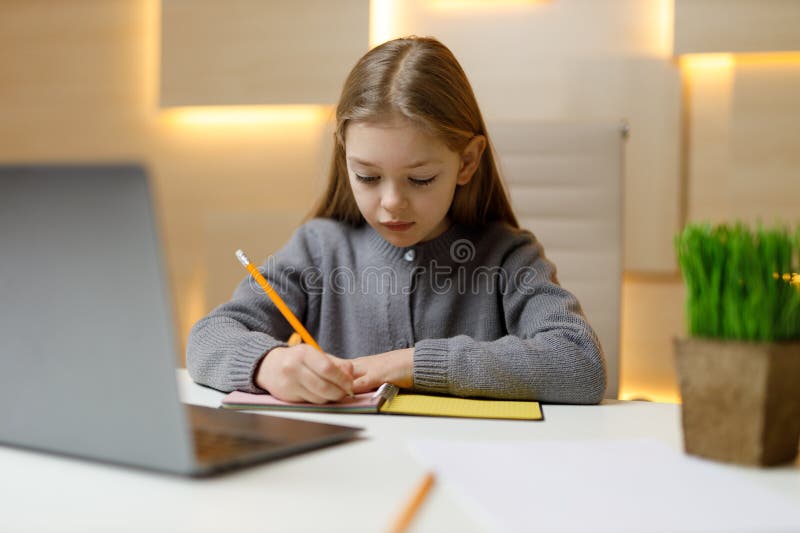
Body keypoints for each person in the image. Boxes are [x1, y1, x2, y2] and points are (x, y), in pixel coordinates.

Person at [187, 36, 606, 404]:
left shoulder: (508, 256)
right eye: (367, 177)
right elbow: (209, 337)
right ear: (344, 157)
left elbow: (580, 364)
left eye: (420, 179)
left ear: (467, 161)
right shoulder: (318, 248)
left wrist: (409, 364)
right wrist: (268, 363)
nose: (391, 203)